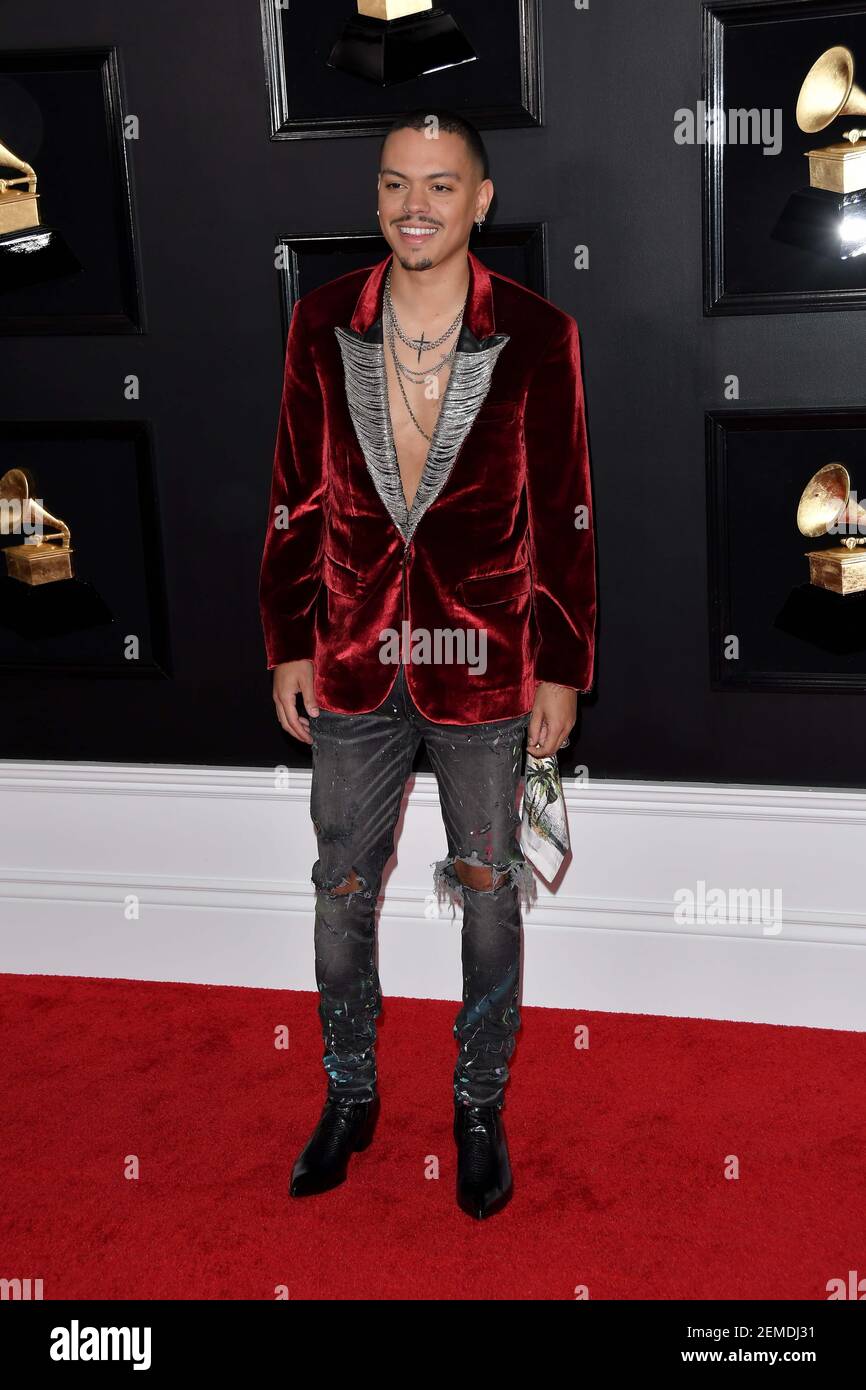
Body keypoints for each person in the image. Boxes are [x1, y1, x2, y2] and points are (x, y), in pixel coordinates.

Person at [258, 108, 596, 1220]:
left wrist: (561, 665)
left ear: (481, 199)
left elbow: (563, 511)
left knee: (489, 897)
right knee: (337, 893)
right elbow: (293, 500)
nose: (416, 203)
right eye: (397, 183)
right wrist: (289, 638)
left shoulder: (538, 333)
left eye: (441, 185)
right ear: (376, 198)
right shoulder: (319, 323)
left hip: (487, 659)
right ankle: (349, 1096)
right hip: (354, 653)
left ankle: (476, 1104)